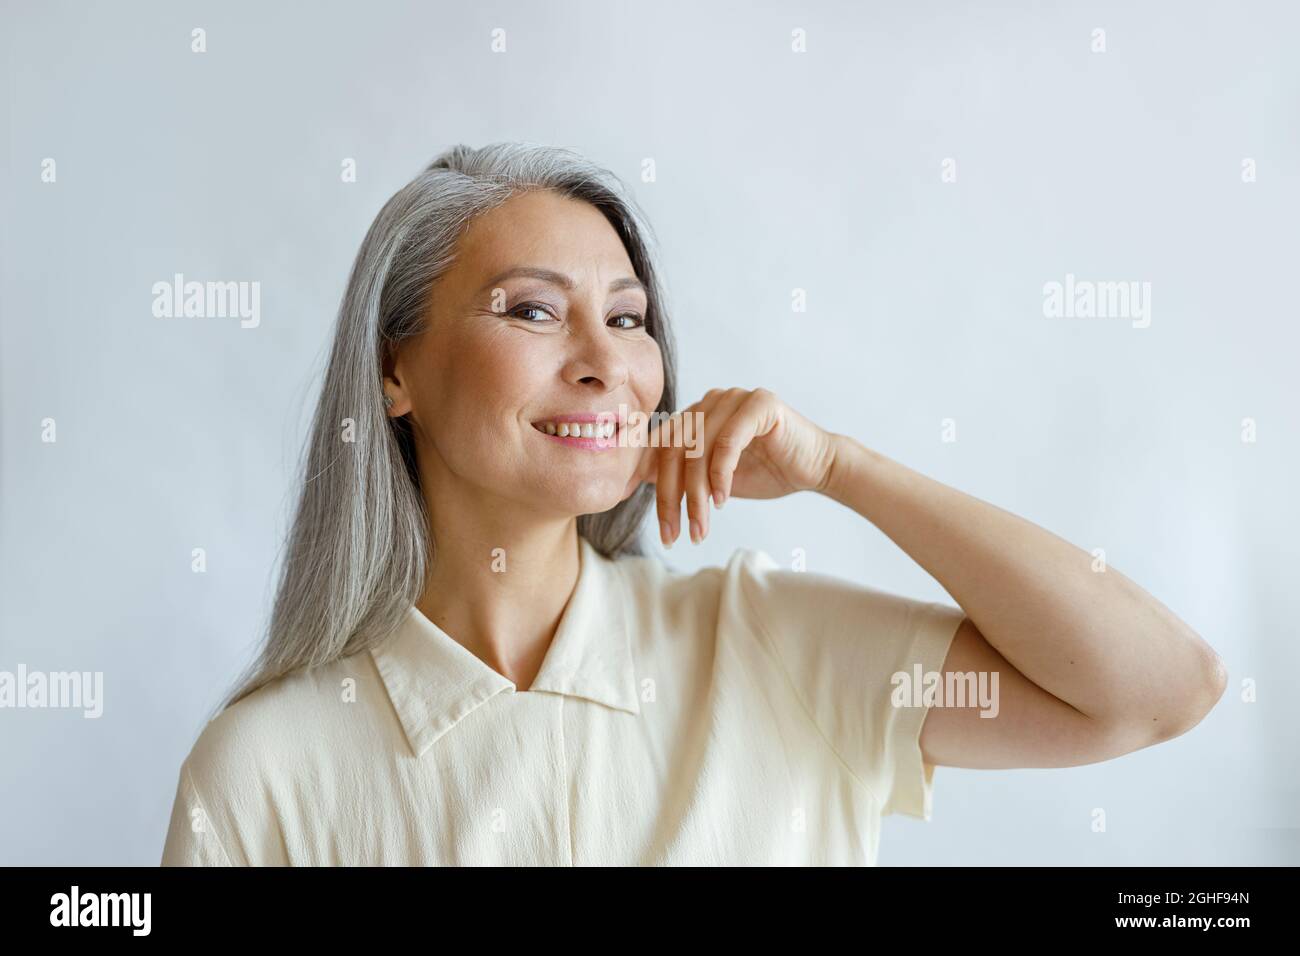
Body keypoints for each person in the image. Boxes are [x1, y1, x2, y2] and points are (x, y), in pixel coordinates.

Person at [161, 142, 1226, 866]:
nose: (604, 364)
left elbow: (1157, 688)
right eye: (532, 309)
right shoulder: (266, 768)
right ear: (396, 370)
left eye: (628, 319)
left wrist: (840, 468)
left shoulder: (769, 649)